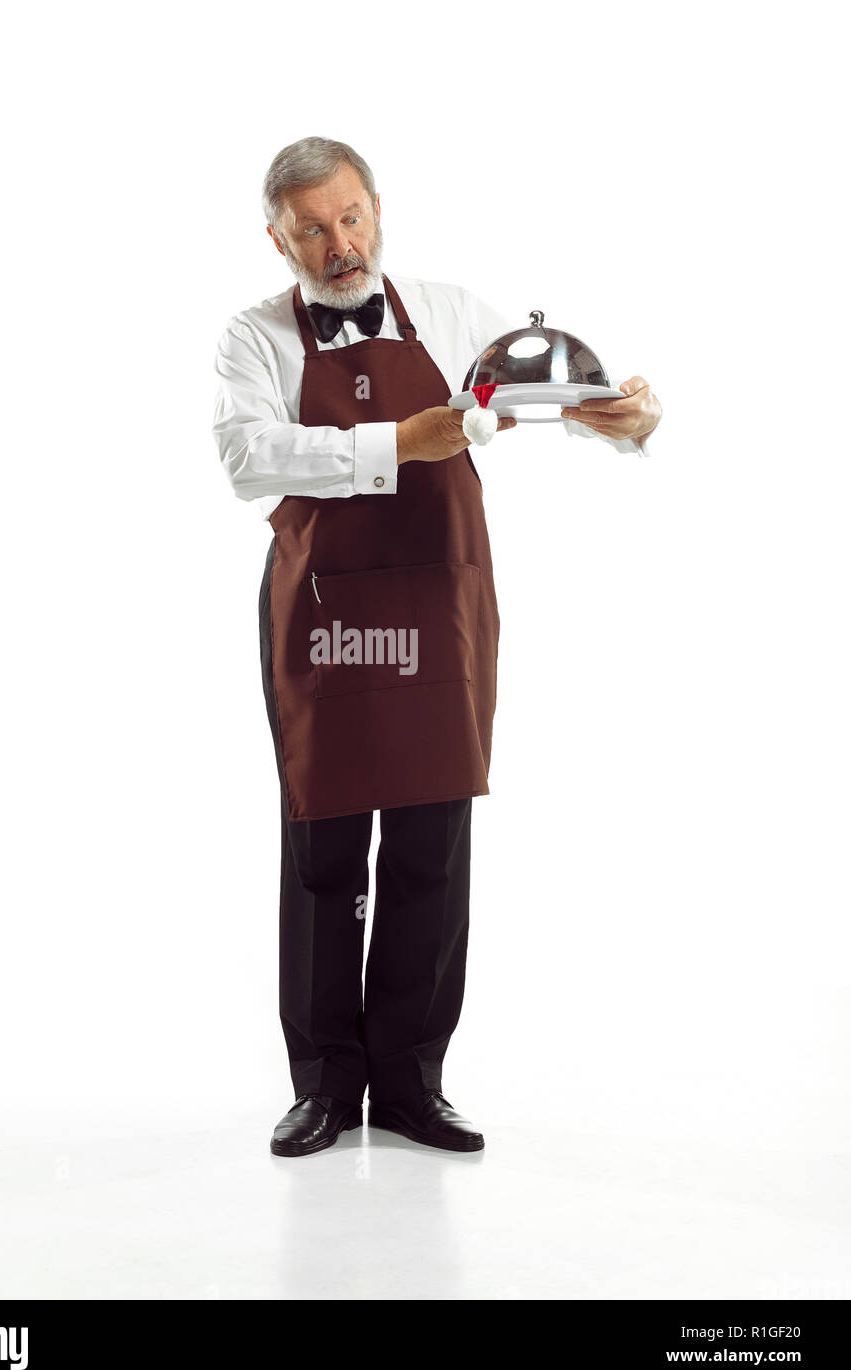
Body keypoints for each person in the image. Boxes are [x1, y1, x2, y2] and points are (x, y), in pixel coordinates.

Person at [213, 136, 662, 1158]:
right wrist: (396, 444)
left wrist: (627, 417)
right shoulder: (251, 337)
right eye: (313, 229)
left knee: (430, 847)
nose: (339, 245)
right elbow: (247, 458)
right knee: (325, 850)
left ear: (376, 207)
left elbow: (549, 392)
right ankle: (324, 1083)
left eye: (351, 217)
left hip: (435, 611)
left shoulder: (453, 311)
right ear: (275, 237)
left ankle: (413, 1081)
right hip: (326, 616)